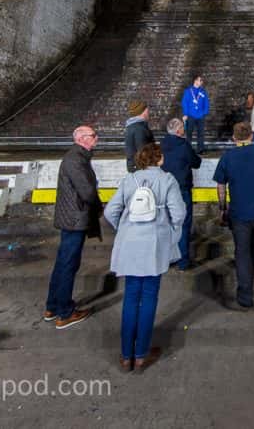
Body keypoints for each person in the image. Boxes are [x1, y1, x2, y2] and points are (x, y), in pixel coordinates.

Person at [105, 143, 186, 372]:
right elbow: (178, 213)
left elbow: (110, 211)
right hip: (154, 244)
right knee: (149, 296)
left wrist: (123, 229)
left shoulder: (129, 180)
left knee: (131, 296)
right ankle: (141, 355)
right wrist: (172, 232)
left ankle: (125, 355)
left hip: (130, 243)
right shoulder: (167, 180)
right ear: (159, 159)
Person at [44, 124, 102, 329]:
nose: (97, 139)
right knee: (68, 264)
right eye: (93, 136)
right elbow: (86, 191)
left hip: (70, 217)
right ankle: (65, 312)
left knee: (63, 263)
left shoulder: (75, 158)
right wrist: (98, 206)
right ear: (82, 139)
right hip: (75, 219)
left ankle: (52, 306)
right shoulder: (76, 160)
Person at [213, 122, 254, 309]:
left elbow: (221, 185)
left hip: (239, 210)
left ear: (234, 138)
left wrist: (223, 208)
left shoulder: (228, 157)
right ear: (252, 136)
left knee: (241, 251)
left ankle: (246, 296)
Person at [161, 117, 202, 270]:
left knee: (166, 223)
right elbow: (196, 162)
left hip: (164, 189)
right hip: (182, 188)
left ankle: (167, 259)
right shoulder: (184, 145)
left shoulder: (162, 145)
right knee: (183, 224)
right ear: (179, 131)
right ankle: (183, 261)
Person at [181, 75, 210, 154]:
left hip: (200, 115)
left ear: (201, 83)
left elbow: (206, 103)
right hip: (190, 115)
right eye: (197, 80)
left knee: (201, 133)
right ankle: (187, 149)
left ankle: (200, 149)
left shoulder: (203, 92)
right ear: (194, 81)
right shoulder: (188, 91)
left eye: (200, 81)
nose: (199, 82)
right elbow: (184, 103)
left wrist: (204, 112)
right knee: (189, 133)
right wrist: (185, 114)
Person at [124, 100, 155, 173]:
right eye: (147, 110)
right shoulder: (139, 129)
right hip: (141, 168)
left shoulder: (132, 126)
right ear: (143, 112)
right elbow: (142, 151)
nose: (148, 113)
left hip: (137, 167)